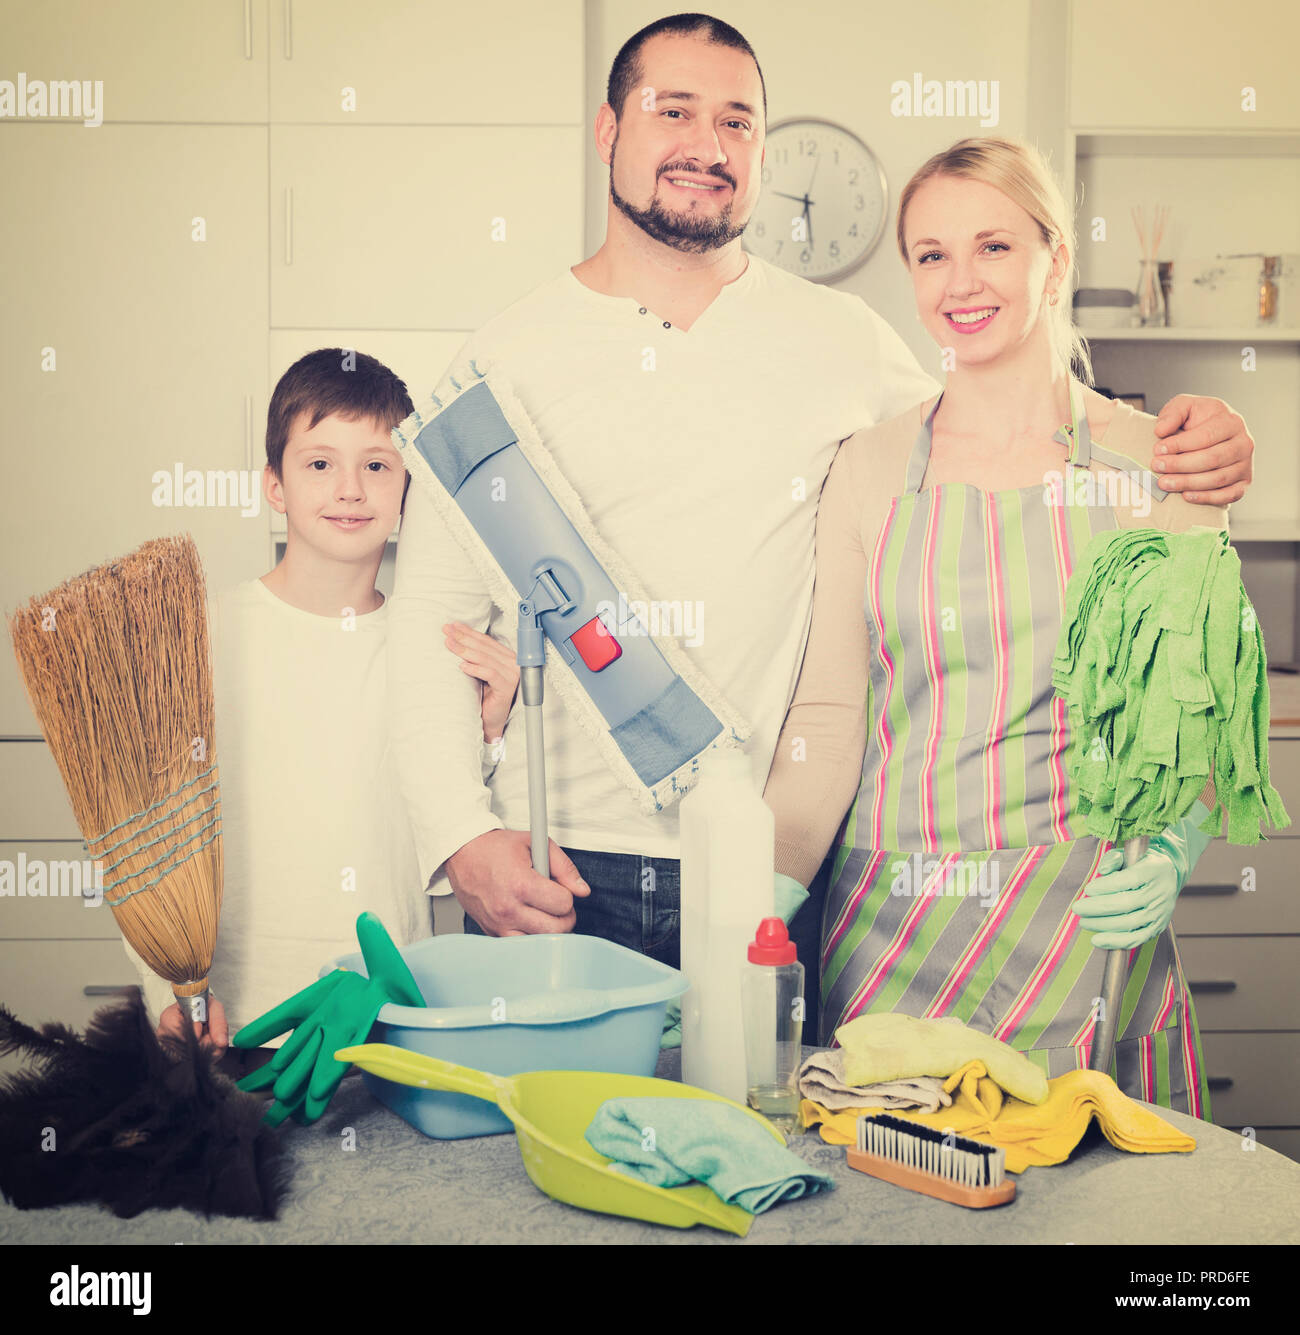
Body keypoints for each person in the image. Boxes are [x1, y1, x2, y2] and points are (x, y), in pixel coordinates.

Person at [388, 14, 1256, 1048]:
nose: (706, 146)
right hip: (567, 866)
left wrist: (1204, 442)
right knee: (569, 1186)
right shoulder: (504, 356)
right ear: (607, 129)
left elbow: (1002, 421)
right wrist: (462, 834)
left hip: (785, 863)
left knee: (780, 1177)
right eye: (674, 111)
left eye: (737, 122)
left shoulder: (842, 342)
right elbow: (426, 626)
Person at [762, 137, 1231, 1116]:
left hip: (1081, 929)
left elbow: (1189, 715)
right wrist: (767, 889)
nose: (958, 282)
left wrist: (1175, 846)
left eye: (993, 247)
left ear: (1054, 258)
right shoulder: (870, 465)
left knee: (1095, 1215)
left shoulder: (1161, 463)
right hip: (890, 933)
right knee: (895, 1205)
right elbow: (831, 714)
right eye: (930, 255)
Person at [123, 349, 516, 1063]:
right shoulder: (199, 635)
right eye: (318, 463)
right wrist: (169, 995)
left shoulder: (438, 652)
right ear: (274, 486)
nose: (349, 489)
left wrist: (493, 731)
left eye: (376, 465)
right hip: (228, 1017)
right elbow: (143, 843)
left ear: (408, 492)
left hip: (385, 1023)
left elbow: (456, 847)